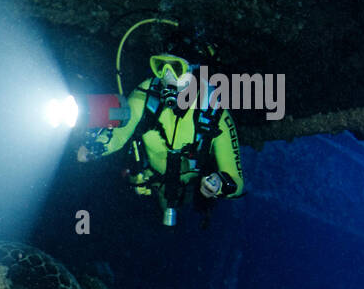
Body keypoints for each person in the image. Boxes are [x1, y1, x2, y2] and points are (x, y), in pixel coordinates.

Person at [77, 53, 245, 226]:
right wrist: (98, 147)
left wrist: (218, 185)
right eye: (161, 67)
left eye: (176, 68)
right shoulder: (146, 93)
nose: (167, 76)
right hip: (149, 177)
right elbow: (121, 132)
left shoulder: (215, 112)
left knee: (184, 209)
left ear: (192, 71)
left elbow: (237, 181)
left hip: (191, 183)